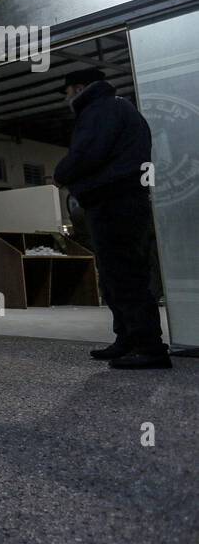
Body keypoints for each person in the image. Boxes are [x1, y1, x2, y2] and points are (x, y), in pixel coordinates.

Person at [53, 68, 170, 369]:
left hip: (116, 202)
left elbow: (87, 153)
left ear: (78, 88)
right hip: (117, 201)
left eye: (67, 93)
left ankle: (149, 347)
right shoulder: (114, 108)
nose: (67, 100)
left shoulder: (101, 110)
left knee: (125, 275)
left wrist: (61, 174)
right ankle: (128, 339)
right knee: (114, 275)